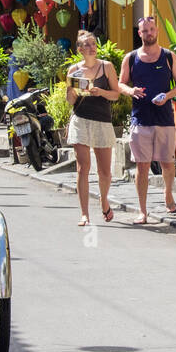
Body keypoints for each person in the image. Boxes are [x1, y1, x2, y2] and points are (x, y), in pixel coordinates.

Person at [119, 16, 176, 222]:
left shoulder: (168, 56)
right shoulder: (131, 58)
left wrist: (166, 96)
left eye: (151, 29)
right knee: (142, 166)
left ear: (156, 30)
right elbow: (120, 84)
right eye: (144, 31)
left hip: (164, 118)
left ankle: (167, 194)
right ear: (139, 34)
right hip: (141, 119)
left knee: (167, 163)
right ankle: (143, 211)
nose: (149, 33)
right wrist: (131, 91)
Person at [65, 31, 120, 226]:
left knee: (105, 172)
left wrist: (101, 91)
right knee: (83, 168)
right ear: (79, 49)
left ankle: (104, 200)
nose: (91, 47)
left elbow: (116, 95)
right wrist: (70, 89)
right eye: (86, 45)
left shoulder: (107, 67)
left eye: (93, 44)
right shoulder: (74, 70)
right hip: (81, 120)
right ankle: (84, 214)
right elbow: (71, 101)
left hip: (102, 121)